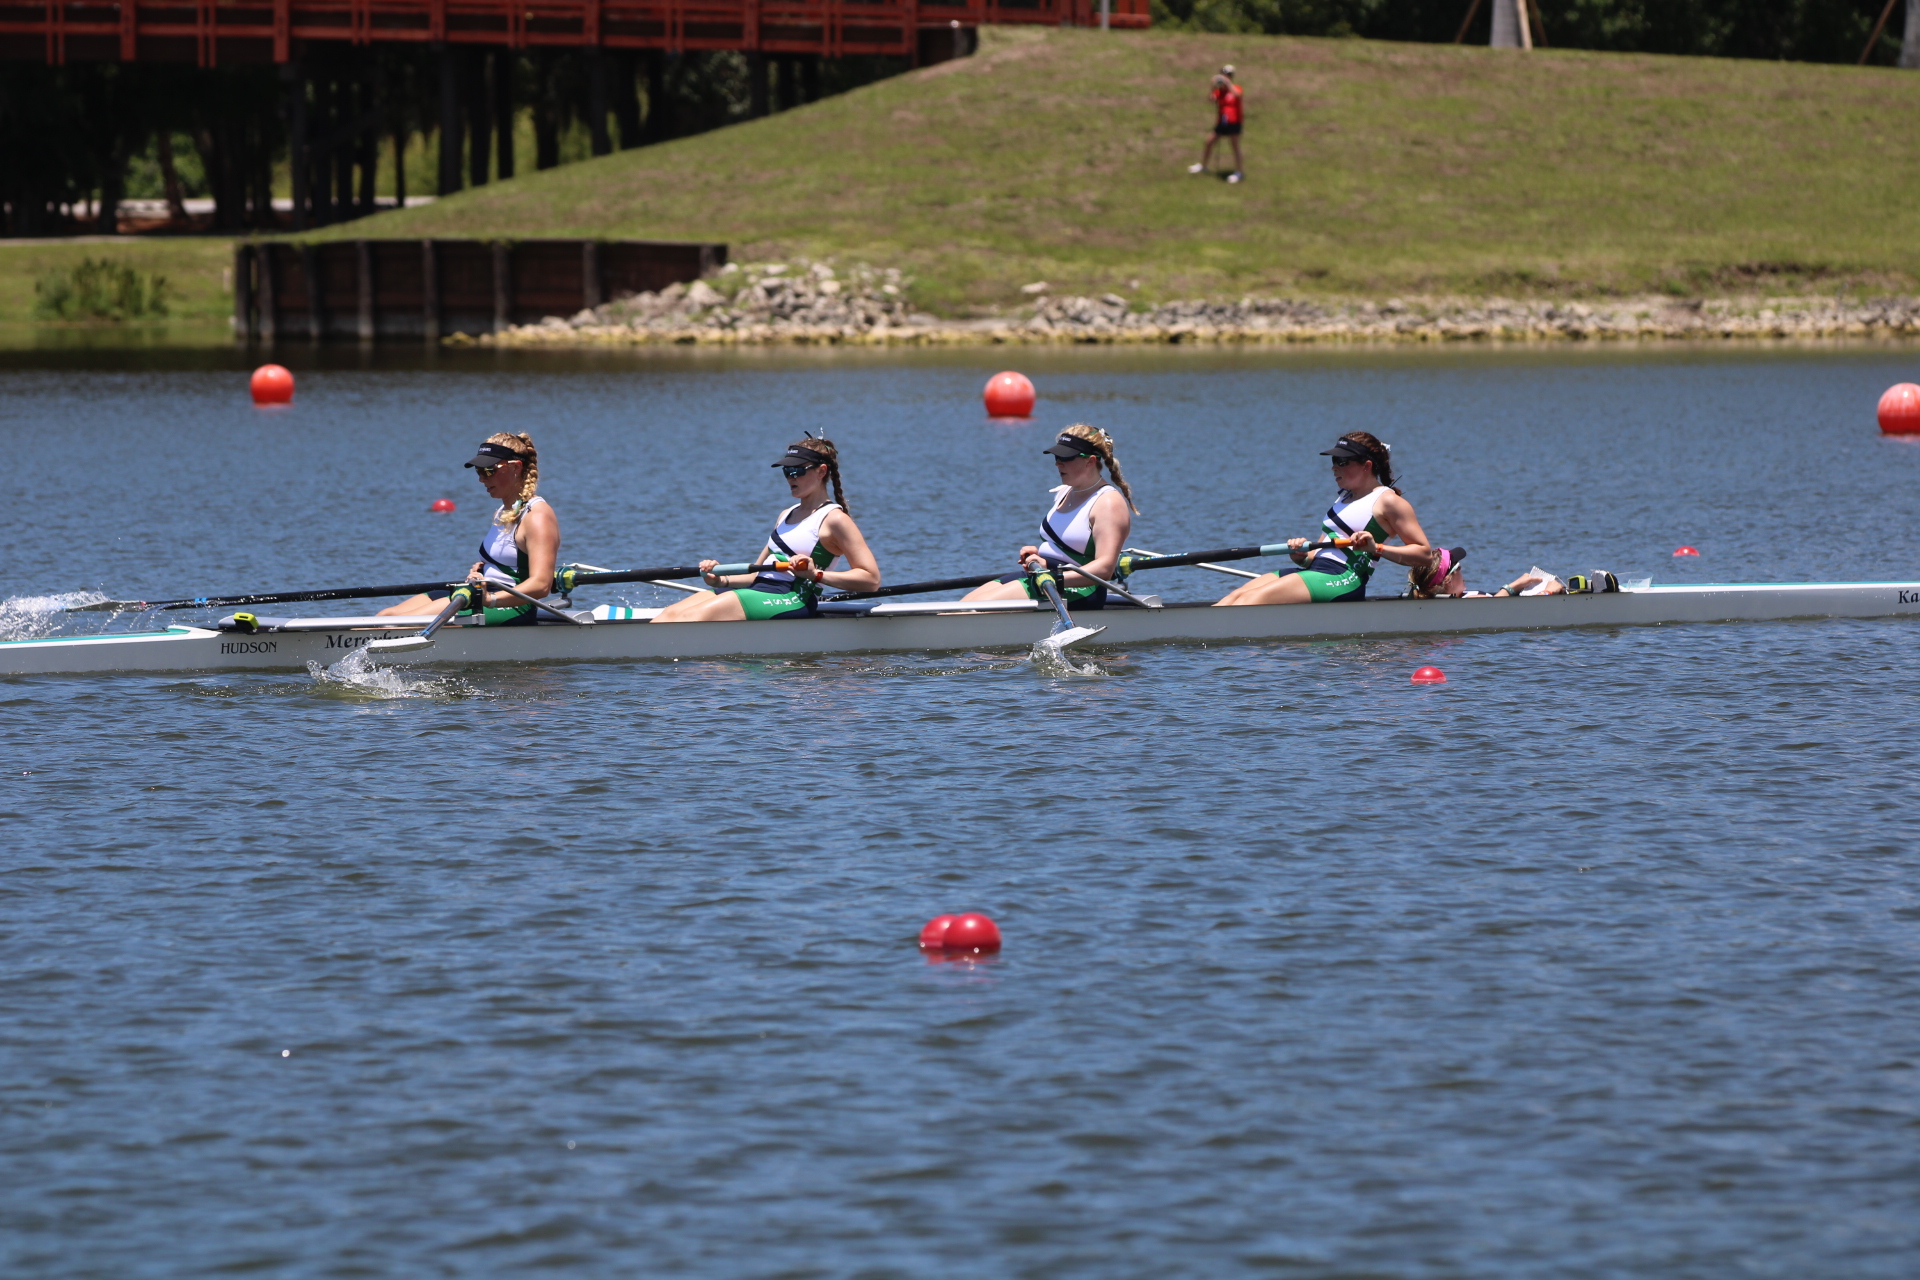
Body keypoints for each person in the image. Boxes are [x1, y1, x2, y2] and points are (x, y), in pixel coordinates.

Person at [651, 436, 879, 622]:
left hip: (793, 596)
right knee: (669, 615)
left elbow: (870, 579)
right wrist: (720, 580)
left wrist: (816, 574)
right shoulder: (785, 515)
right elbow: (757, 574)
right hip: (761, 590)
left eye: (797, 471)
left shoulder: (835, 520)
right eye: (786, 471)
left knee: (692, 617)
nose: (790, 477)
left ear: (821, 471)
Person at [1215, 432, 1431, 606]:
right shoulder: (1344, 497)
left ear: (1367, 466)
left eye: (1342, 461)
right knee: (1234, 598)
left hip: (1345, 578)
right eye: (1334, 460)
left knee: (1248, 602)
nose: (1334, 467)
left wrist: (1376, 548)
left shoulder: (1389, 502)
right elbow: (1319, 552)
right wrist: (1301, 556)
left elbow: (1424, 554)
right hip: (1317, 571)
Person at [379, 433, 560, 625]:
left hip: (512, 606)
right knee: (386, 616)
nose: (482, 479)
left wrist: (490, 600)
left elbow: (541, 585)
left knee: (396, 624)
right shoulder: (504, 510)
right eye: (478, 471)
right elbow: (512, 560)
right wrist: (485, 568)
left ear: (515, 467)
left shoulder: (537, 516)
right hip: (482, 593)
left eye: (489, 471)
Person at [961, 424, 1137, 609]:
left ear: (1090, 461)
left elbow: (1105, 568)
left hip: (1083, 589)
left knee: (974, 610)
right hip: (1046, 576)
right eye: (1057, 456)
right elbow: (1066, 550)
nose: (1057, 463)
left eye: (1065, 458)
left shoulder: (1108, 503)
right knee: (959, 607)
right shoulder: (1065, 492)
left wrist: (1056, 578)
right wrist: (1042, 557)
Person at [1188, 65, 1244, 183]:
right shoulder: (1220, 91)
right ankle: (1204, 166)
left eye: (1227, 75)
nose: (1225, 77)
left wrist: (1228, 84)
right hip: (1222, 121)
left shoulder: (1236, 88)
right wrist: (1213, 86)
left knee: (1235, 146)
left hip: (1234, 122)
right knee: (1209, 142)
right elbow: (1211, 99)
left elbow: (1237, 95)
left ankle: (1239, 172)